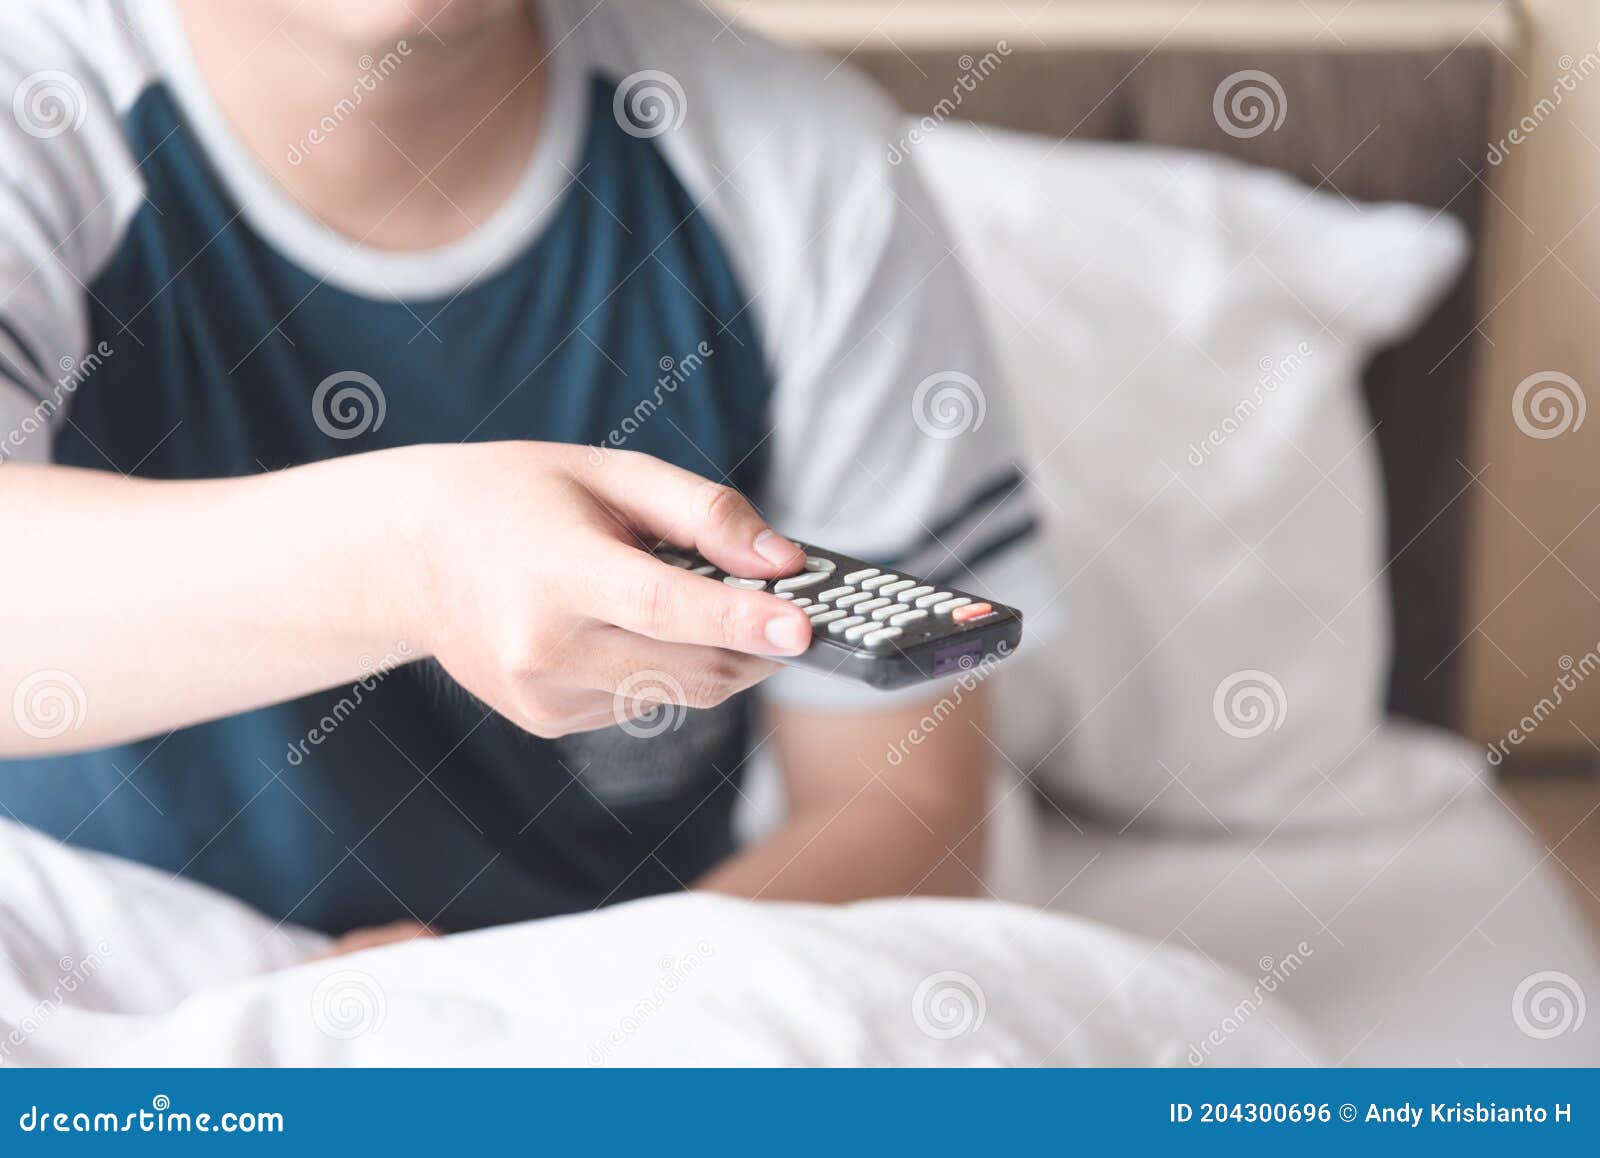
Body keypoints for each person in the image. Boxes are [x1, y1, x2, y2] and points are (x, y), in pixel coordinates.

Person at [0, 0, 1043, 944]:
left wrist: (538, 1025)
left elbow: (898, 803)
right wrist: (415, 560)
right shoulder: (33, 103)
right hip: (102, 1000)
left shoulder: (805, 165)